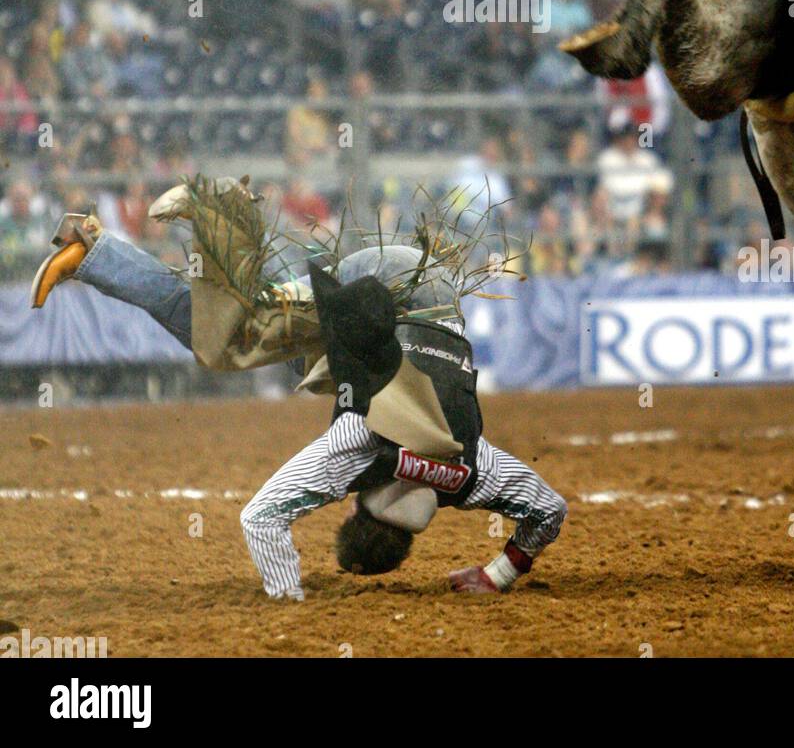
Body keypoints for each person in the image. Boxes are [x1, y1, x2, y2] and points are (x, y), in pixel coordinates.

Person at [30, 180, 567, 599]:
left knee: (259, 343)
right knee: (236, 333)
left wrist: (501, 572)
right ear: (357, 508)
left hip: (425, 296)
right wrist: (288, 597)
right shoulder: (359, 450)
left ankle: (96, 255)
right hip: (386, 290)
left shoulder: (470, 469)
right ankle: (218, 206)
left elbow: (549, 511)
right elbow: (259, 520)